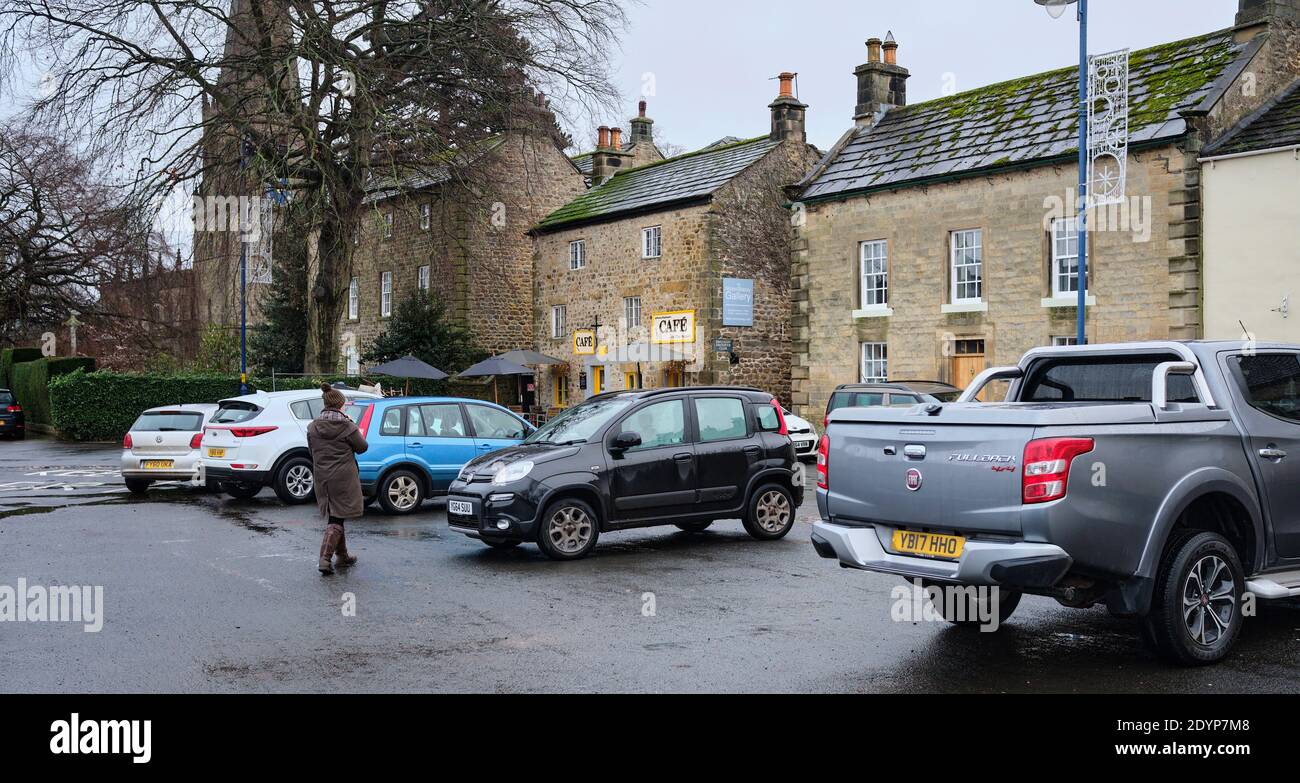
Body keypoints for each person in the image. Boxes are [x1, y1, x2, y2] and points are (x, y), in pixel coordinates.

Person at [307, 383, 368, 575]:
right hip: (343, 477)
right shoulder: (347, 426)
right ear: (340, 405)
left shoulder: (313, 427)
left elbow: (312, 451)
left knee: (336, 513)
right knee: (337, 517)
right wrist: (355, 427)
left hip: (322, 477)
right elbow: (362, 447)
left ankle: (343, 555)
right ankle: (325, 559)